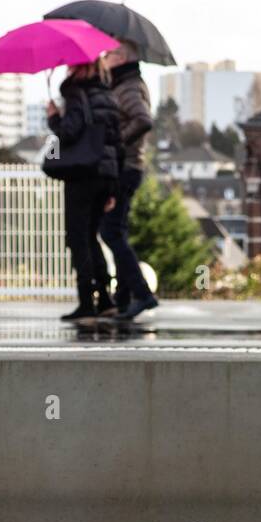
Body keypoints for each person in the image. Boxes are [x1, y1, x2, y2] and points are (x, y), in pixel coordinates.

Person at [47, 59, 123, 321]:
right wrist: (113, 188)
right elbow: (117, 143)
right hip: (106, 177)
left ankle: (86, 303)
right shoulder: (109, 95)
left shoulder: (75, 93)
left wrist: (54, 118)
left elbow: (68, 133)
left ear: (77, 67)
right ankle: (105, 298)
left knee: (78, 239)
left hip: (82, 175)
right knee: (92, 237)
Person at [101, 43, 159, 320]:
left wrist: (117, 142)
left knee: (111, 232)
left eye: (109, 54)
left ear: (121, 57)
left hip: (126, 166)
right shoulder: (125, 82)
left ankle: (142, 294)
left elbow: (142, 120)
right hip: (127, 166)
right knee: (117, 231)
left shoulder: (129, 86)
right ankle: (124, 298)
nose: (104, 58)